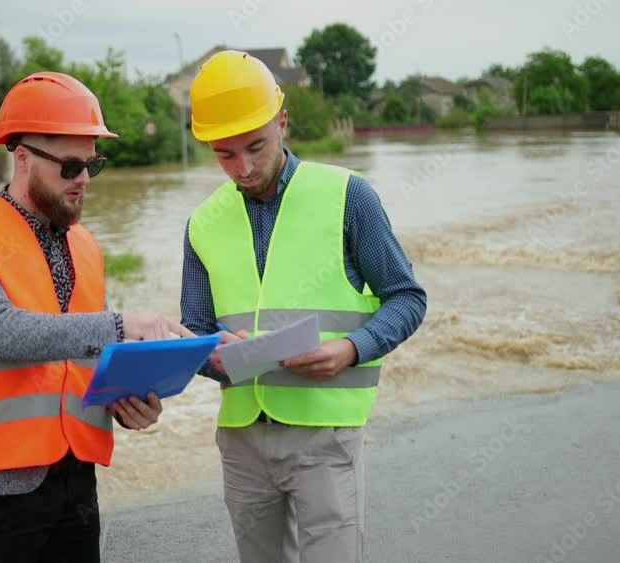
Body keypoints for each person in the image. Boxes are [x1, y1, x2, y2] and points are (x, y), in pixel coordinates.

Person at [0, 71, 193, 563]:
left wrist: (130, 400)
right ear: (23, 157)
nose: (85, 180)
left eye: (93, 164)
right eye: (71, 166)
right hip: (2, 493)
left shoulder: (86, 244)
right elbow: (3, 333)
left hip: (77, 480)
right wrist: (120, 324)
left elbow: (78, 355)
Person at [180, 51, 427, 563]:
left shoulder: (349, 196)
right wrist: (212, 357)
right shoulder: (201, 224)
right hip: (243, 440)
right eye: (225, 155)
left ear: (283, 121)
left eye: (255, 146)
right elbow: (194, 331)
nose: (243, 168)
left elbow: (406, 298)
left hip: (325, 435)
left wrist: (352, 349)